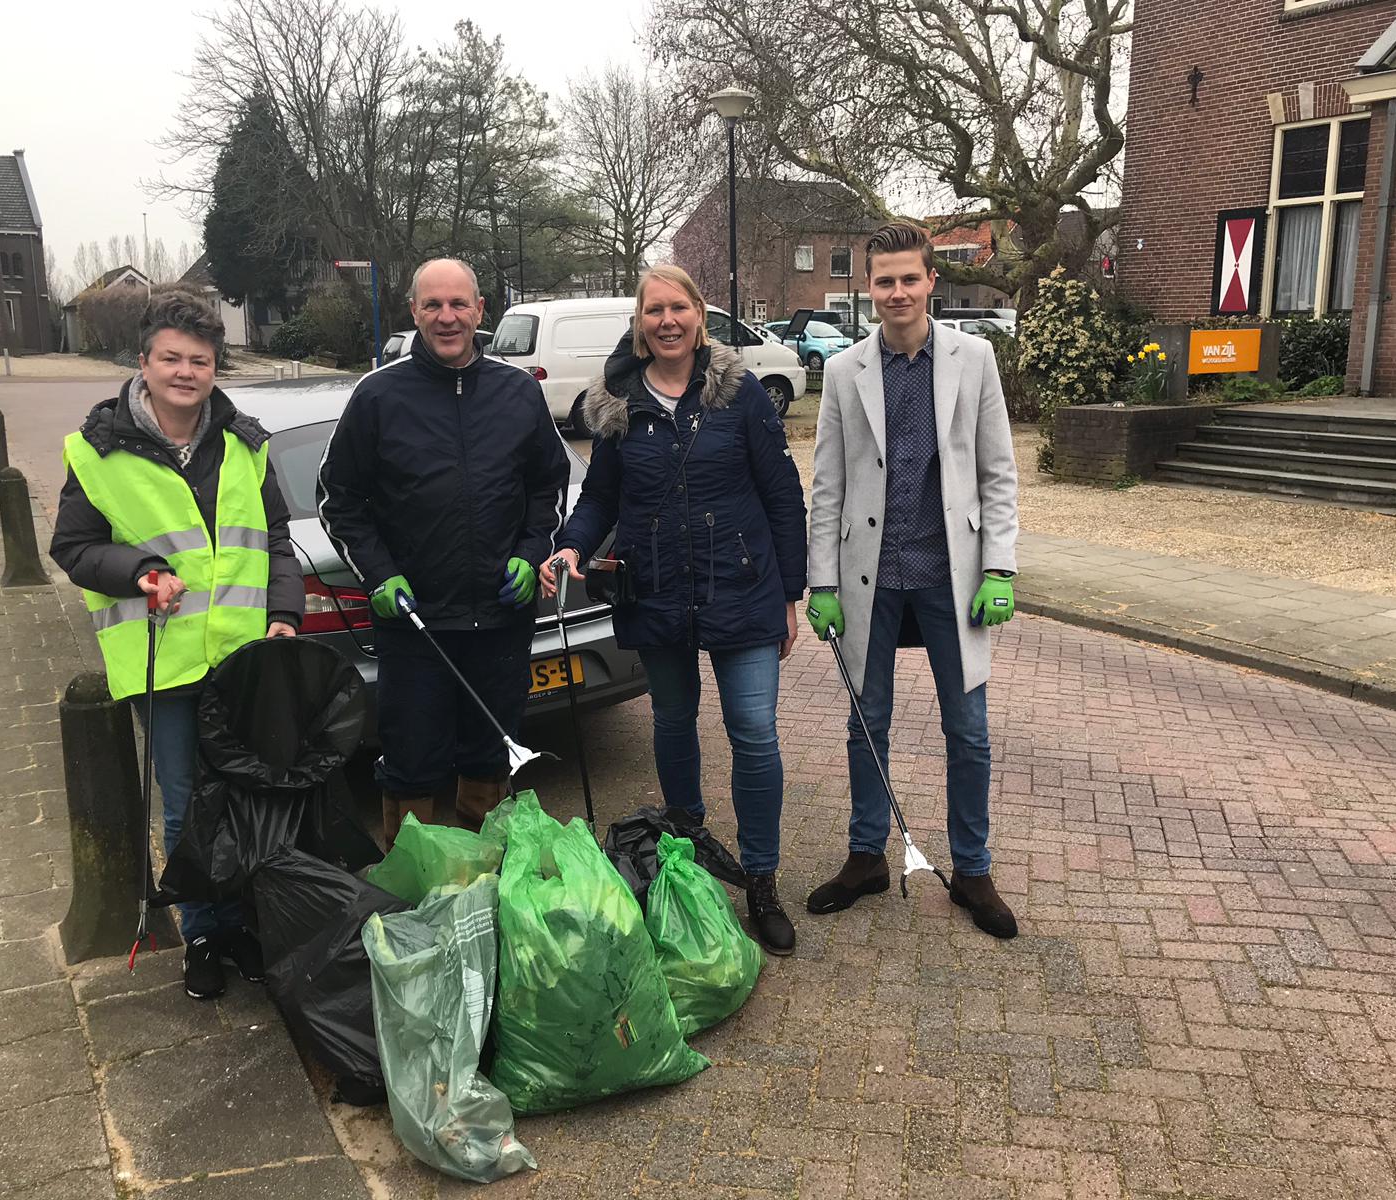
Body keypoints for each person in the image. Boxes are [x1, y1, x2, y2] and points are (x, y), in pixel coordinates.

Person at [543, 264, 807, 955]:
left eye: (678, 308)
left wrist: (790, 593)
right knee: (672, 719)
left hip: (742, 585)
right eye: (653, 310)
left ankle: (762, 878)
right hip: (655, 587)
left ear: (700, 316)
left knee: (753, 732)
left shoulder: (742, 396)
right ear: (640, 323)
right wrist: (572, 546)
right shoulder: (619, 403)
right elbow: (600, 496)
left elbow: (781, 493)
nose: (666, 321)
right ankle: (686, 844)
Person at [50, 289, 304, 998]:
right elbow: (72, 547)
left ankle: (245, 921)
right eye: (172, 358)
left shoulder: (246, 444)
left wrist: (284, 612)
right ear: (144, 363)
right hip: (163, 659)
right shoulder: (97, 448)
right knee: (187, 801)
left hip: (243, 655)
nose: (185, 371)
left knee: (247, 794)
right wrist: (139, 571)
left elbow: (274, 539)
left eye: (200, 360)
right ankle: (202, 930)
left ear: (215, 367)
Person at [804, 220, 1021, 939]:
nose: (896, 292)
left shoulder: (974, 359)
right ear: (869, 289)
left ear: (932, 281)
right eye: (883, 280)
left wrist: (999, 566)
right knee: (866, 724)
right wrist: (822, 581)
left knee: (970, 731)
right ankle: (866, 856)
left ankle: (973, 868)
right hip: (872, 575)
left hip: (949, 576)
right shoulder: (843, 372)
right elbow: (828, 485)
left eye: (908, 278)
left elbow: (997, 473)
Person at [318, 258, 568, 845]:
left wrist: (532, 556)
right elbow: (339, 498)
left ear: (481, 311)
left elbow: (547, 487)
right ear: (415, 312)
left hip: (501, 623)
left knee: (488, 761)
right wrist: (378, 574)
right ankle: (419, 900)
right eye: (433, 305)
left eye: (459, 304)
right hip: (416, 628)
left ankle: (483, 895)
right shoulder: (378, 396)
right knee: (411, 766)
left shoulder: (518, 393)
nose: (447, 316)